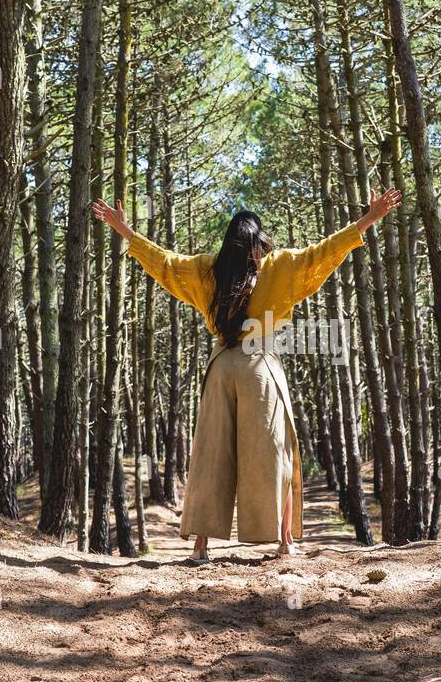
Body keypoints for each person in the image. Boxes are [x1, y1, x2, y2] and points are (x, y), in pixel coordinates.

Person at [92, 188, 402, 562]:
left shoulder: (207, 270)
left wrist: (126, 231)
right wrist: (368, 218)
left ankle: (201, 546)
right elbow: (324, 252)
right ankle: (284, 542)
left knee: (211, 454)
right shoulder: (278, 265)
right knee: (276, 453)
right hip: (261, 367)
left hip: (221, 365)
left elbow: (165, 262)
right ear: (259, 239)